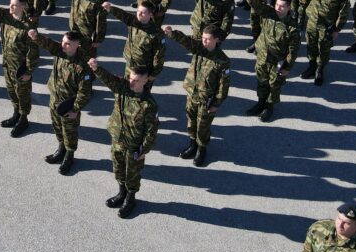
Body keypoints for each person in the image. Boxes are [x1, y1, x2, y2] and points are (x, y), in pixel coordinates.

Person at [87, 60, 158, 219]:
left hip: (134, 145)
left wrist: (143, 150)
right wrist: (97, 68)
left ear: (145, 80)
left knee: (132, 173)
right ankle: (121, 193)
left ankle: (130, 199)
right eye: (131, 78)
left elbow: (151, 131)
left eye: (136, 80)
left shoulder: (149, 104)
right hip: (118, 139)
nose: (131, 82)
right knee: (118, 167)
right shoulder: (123, 88)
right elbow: (109, 79)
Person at [163, 23, 231, 166]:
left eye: (207, 39)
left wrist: (216, 104)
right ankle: (192, 144)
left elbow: (223, 86)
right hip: (192, 93)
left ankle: (201, 148)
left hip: (207, 99)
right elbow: (187, 42)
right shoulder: (199, 49)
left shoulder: (222, 60)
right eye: (203, 38)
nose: (204, 41)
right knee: (191, 121)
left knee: (203, 126)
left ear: (216, 40)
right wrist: (172, 33)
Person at [30, 29, 94, 174]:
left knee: (69, 132)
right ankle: (61, 149)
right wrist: (36, 36)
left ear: (76, 45)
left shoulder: (82, 66)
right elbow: (48, 43)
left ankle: (69, 156)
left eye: (67, 44)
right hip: (54, 99)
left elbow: (84, 92)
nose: (63, 45)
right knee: (57, 126)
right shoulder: (60, 52)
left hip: (69, 106)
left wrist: (75, 110)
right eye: (63, 42)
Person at [0, 0, 39, 137]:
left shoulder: (28, 27)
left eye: (14, 5)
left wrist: (29, 71)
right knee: (11, 91)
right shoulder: (7, 17)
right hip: (7, 64)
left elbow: (33, 52)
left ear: (23, 7)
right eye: (10, 4)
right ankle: (16, 113)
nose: (11, 7)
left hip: (20, 69)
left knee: (23, 94)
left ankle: (23, 119)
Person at [242, 0, 299, 122]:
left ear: (289, 7)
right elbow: (259, 7)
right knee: (261, 81)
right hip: (262, 56)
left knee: (274, 86)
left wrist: (287, 67)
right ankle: (260, 103)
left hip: (277, 62)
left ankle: (269, 107)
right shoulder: (270, 14)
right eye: (277, 4)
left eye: (282, 6)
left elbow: (293, 51)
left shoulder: (292, 27)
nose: (278, 8)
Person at [297, 0, 349, 86]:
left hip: (327, 27)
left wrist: (337, 30)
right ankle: (311, 66)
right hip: (312, 21)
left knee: (323, 50)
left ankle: (319, 71)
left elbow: (343, 13)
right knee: (311, 46)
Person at [101, 0, 165, 86]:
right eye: (138, 11)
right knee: (127, 87)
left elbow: (159, 55)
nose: (139, 14)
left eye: (142, 12)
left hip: (143, 69)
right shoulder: (133, 21)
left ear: (150, 14)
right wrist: (110, 8)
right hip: (130, 63)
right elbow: (123, 14)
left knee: (140, 92)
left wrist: (154, 74)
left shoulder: (156, 33)